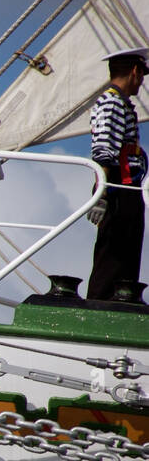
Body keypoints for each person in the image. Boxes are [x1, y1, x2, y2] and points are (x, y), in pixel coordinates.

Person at [88, 46, 148, 302]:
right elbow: (104, 151)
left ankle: (121, 299)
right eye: (143, 73)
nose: (143, 80)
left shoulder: (120, 103)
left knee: (125, 254)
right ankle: (102, 303)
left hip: (126, 190)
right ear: (135, 71)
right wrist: (101, 195)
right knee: (112, 256)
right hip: (117, 190)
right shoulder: (112, 102)